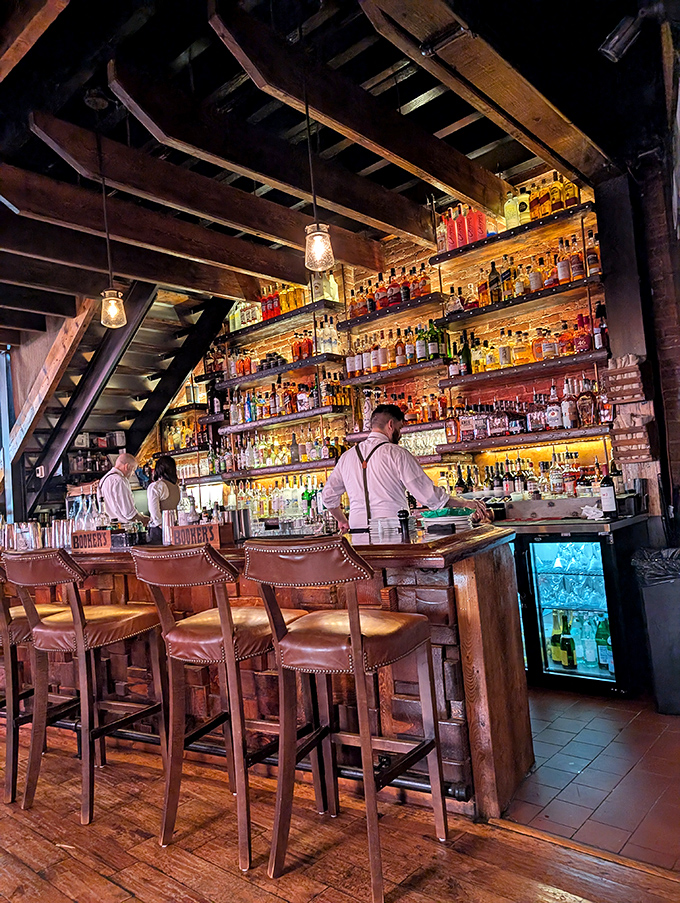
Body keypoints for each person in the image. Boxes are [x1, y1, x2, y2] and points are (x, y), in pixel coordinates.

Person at [321, 404, 490, 538]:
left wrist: (342, 520)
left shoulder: (347, 457)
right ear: (391, 425)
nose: (400, 435)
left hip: (357, 537)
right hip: (392, 533)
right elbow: (429, 497)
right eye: (400, 429)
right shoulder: (397, 453)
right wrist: (464, 503)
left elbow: (328, 496)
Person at [97, 452, 149, 526]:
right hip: (122, 528)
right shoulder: (120, 481)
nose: (133, 474)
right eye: (133, 470)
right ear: (127, 466)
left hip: (109, 527)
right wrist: (147, 520)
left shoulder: (104, 479)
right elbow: (129, 514)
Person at [147, 456, 181, 544]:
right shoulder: (176, 487)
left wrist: (162, 526)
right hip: (175, 528)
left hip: (158, 531)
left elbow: (154, 510)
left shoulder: (156, 486)